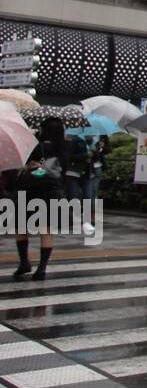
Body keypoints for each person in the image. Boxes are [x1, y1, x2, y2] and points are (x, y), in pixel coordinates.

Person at [13, 119, 80, 280]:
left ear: (44, 130)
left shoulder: (38, 146)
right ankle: (41, 269)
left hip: (32, 191)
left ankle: (24, 262)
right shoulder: (65, 148)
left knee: (21, 227)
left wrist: (35, 165)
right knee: (47, 230)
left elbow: (30, 164)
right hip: (53, 192)